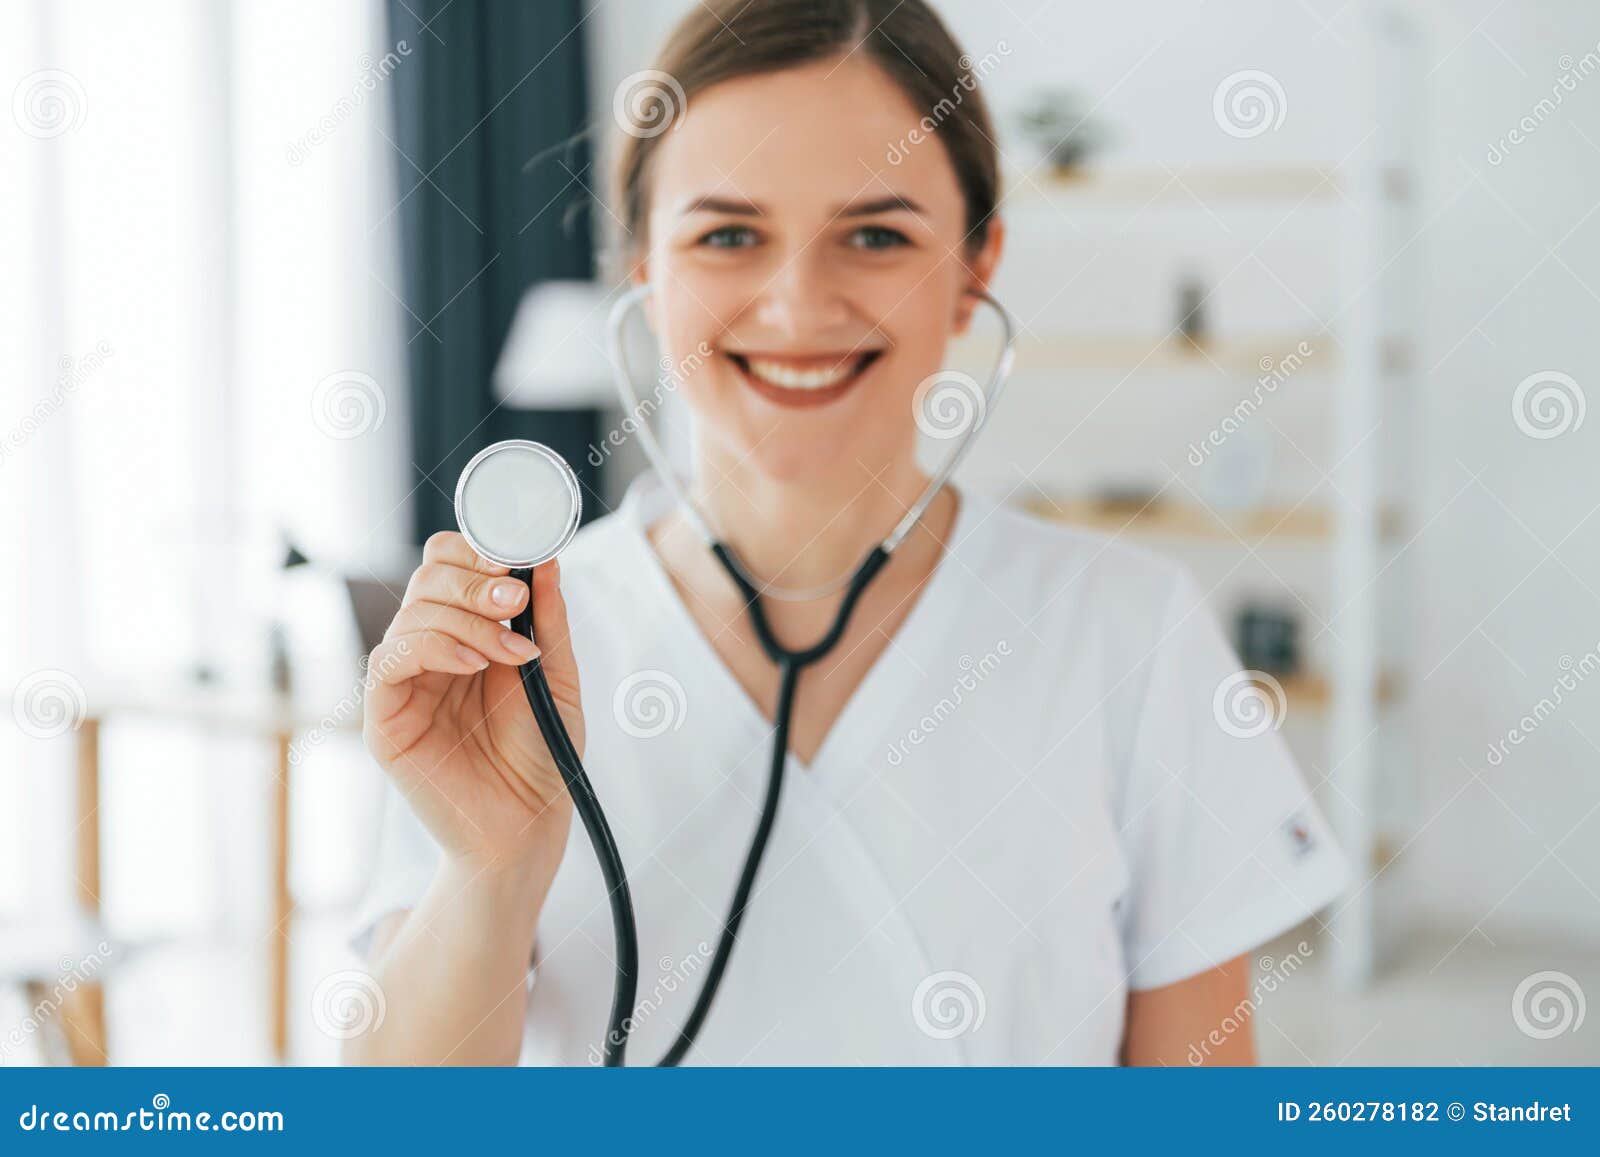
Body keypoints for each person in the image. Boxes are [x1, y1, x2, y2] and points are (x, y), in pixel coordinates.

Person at [344, 0, 1349, 1066]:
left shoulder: (1129, 630)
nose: (797, 306)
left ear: (975, 267)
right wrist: (491, 867)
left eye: (875, 234)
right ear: (643, 260)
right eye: (728, 234)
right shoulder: (514, 658)